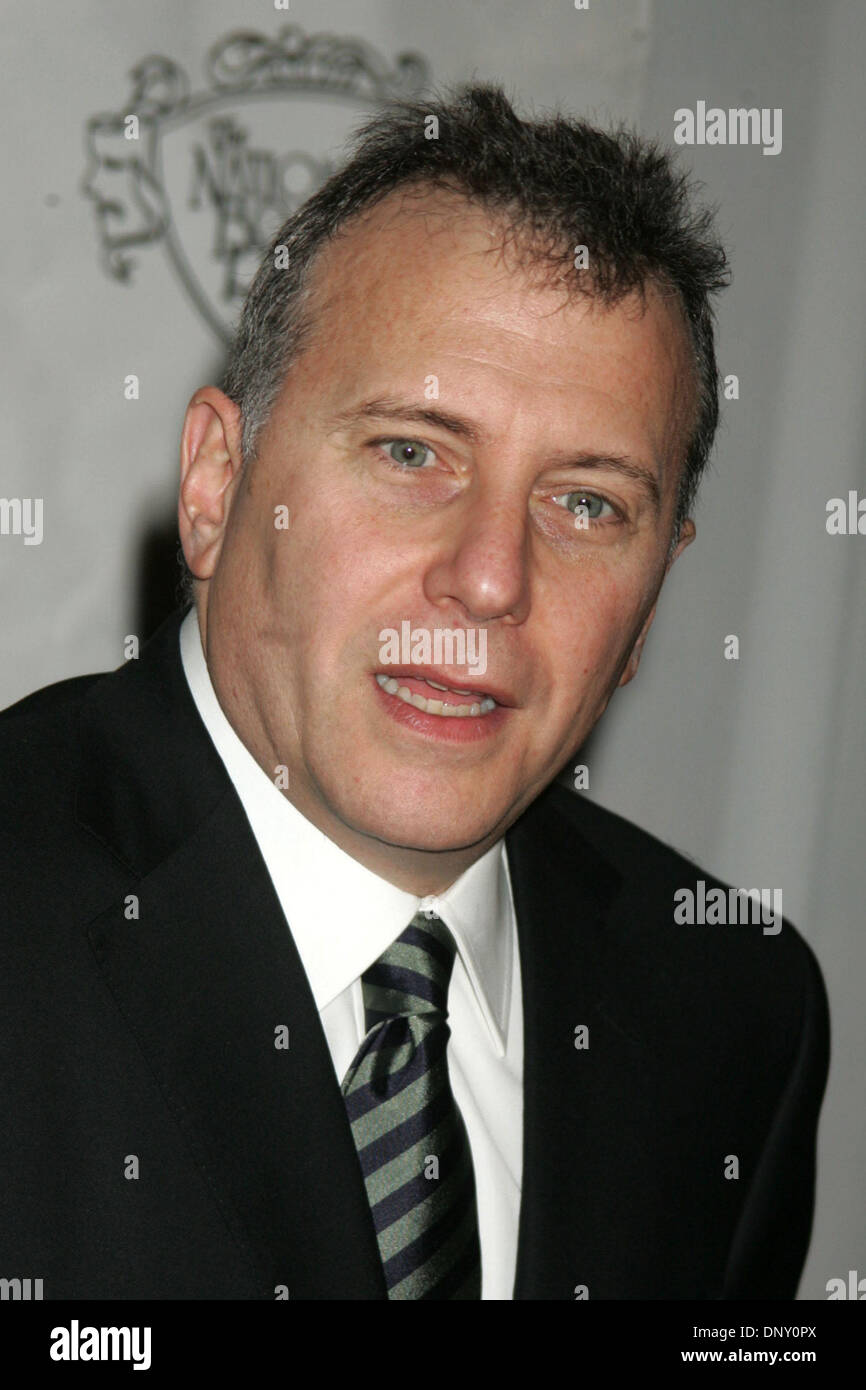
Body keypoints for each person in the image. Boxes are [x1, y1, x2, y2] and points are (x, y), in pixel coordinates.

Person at [0, 84, 828, 1300]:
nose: (492, 579)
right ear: (219, 487)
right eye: (411, 453)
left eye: (586, 502)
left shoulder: (732, 1011)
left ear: (650, 601)